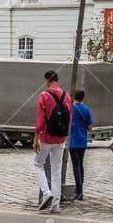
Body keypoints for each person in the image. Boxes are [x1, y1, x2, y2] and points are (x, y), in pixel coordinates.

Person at [32, 70, 72, 212]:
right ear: (57, 79)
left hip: (46, 137)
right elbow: (68, 117)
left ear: (46, 81)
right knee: (57, 170)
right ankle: (55, 205)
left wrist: (36, 138)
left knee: (37, 164)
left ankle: (46, 193)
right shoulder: (67, 96)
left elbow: (40, 120)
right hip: (60, 138)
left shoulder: (44, 95)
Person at [68, 88, 93, 200]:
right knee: (81, 164)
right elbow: (90, 127)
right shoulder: (86, 109)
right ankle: (80, 189)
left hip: (73, 141)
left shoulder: (70, 108)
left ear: (74, 97)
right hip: (82, 140)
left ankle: (79, 191)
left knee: (75, 165)